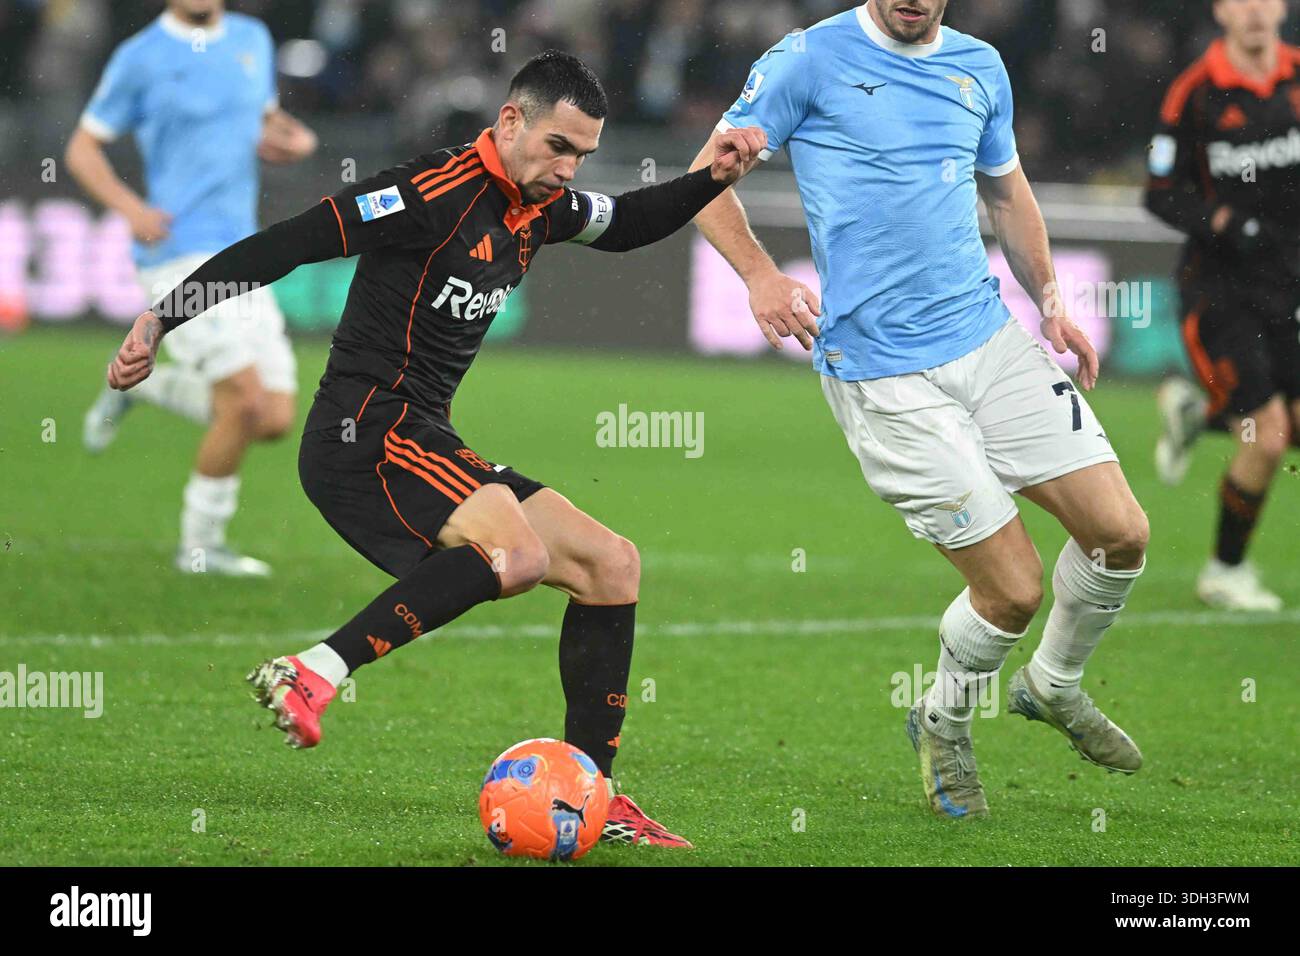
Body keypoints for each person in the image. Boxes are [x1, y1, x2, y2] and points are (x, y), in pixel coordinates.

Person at [104, 50, 767, 848]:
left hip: (424, 436)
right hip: (364, 432)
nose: (570, 168)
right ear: (511, 120)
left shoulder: (539, 206)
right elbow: (286, 245)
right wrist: (161, 319)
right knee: (516, 555)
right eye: (560, 146)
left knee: (611, 566)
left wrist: (713, 179)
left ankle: (592, 793)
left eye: (583, 155)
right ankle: (314, 670)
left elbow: (625, 225)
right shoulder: (427, 194)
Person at [692, 0, 1150, 818]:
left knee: (1122, 535)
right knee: (1013, 589)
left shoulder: (980, 66)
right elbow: (705, 180)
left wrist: (1049, 299)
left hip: (988, 337)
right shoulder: (806, 59)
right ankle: (942, 720)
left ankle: (1054, 683)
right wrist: (762, 276)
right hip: (882, 375)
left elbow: (1007, 193)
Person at [68, 0, 317, 577]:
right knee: (244, 401)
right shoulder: (141, 56)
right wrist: (129, 207)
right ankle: (200, 548)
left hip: (244, 254)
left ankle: (137, 388)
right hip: (175, 254)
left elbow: (259, 123)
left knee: (274, 417)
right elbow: (81, 147)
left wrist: (292, 139)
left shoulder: (253, 37)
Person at [1146, 0, 1299, 611]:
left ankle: (1195, 414)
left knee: (1286, 432)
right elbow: (1160, 194)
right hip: (1221, 291)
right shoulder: (1195, 93)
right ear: (1221, 11)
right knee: (1266, 436)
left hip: (1290, 287)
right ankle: (1222, 571)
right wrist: (1225, 219)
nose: (1256, 10)